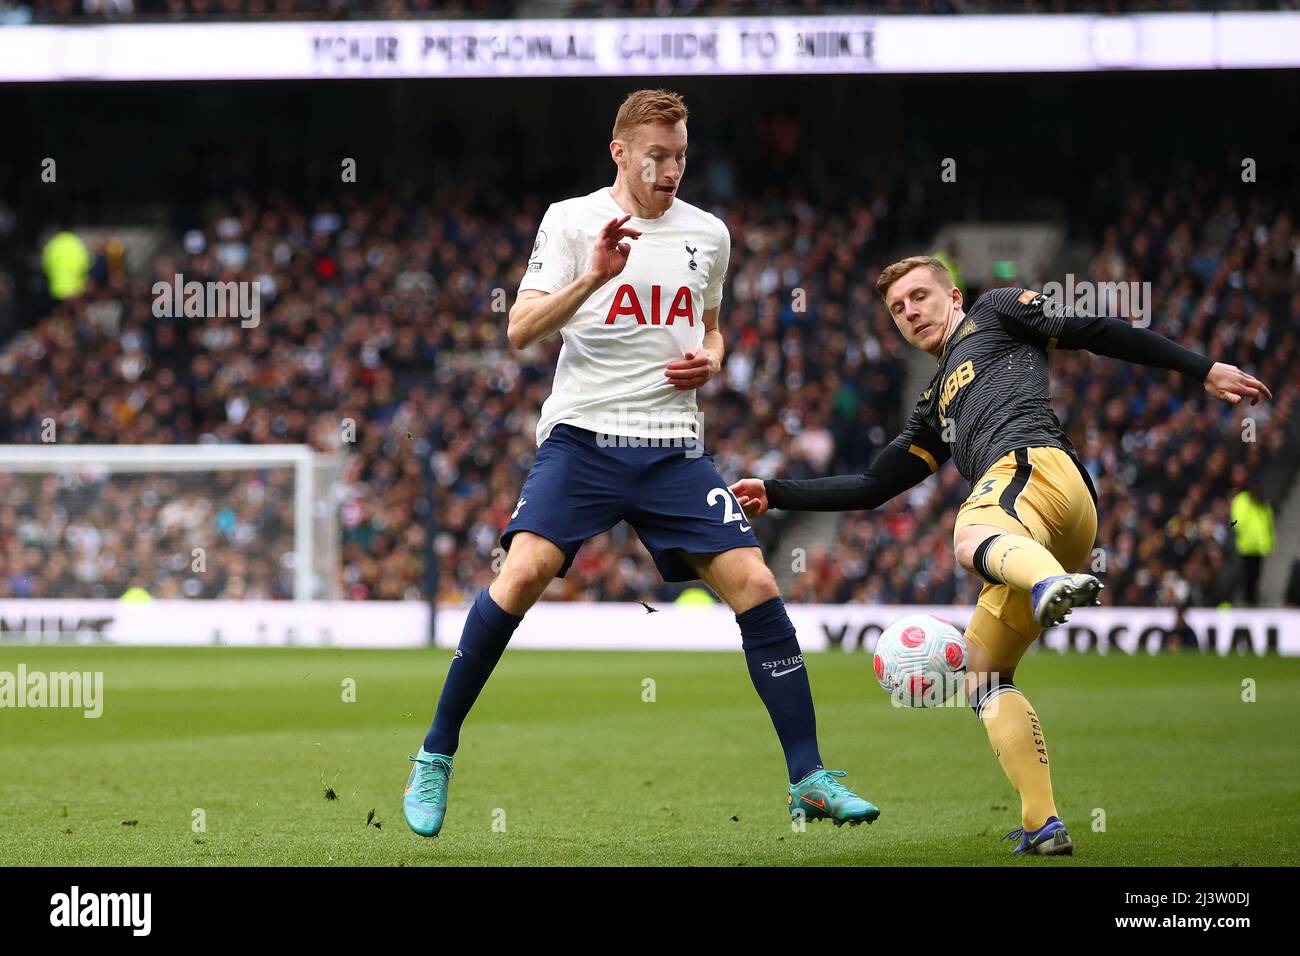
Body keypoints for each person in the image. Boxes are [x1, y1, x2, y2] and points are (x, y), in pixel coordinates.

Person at [403, 89, 877, 839]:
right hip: (584, 437)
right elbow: (520, 331)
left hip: (671, 447)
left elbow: (714, 330)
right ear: (619, 152)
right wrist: (593, 276)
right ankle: (435, 752)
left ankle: (808, 777)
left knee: (755, 583)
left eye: (681, 156)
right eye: (656, 156)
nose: (670, 170)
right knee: (521, 574)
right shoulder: (569, 220)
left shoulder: (709, 235)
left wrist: (709, 360)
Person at [731, 256, 1271, 856]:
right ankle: (1044, 823)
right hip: (1047, 527)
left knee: (967, 533)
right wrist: (775, 492)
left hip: (1035, 467)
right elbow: (871, 486)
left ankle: (1047, 585)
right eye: (897, 309)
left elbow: (1095, 331)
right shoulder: (936, 406)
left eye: (919, 297)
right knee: (984, 676)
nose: (911, 312)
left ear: (954, 297)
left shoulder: (994, 312)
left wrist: (1202, 369)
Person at [1230, 475, 1274, 606]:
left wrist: (1270, 542)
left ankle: (1253, 598)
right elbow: (1234, 520)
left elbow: (1268, 524)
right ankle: (1246, 599)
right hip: (1245, 545)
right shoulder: (1241, 501)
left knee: (1256, 574)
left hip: (1260, 546)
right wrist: (1237, 526)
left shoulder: (1263, 504)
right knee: (1246, 574)